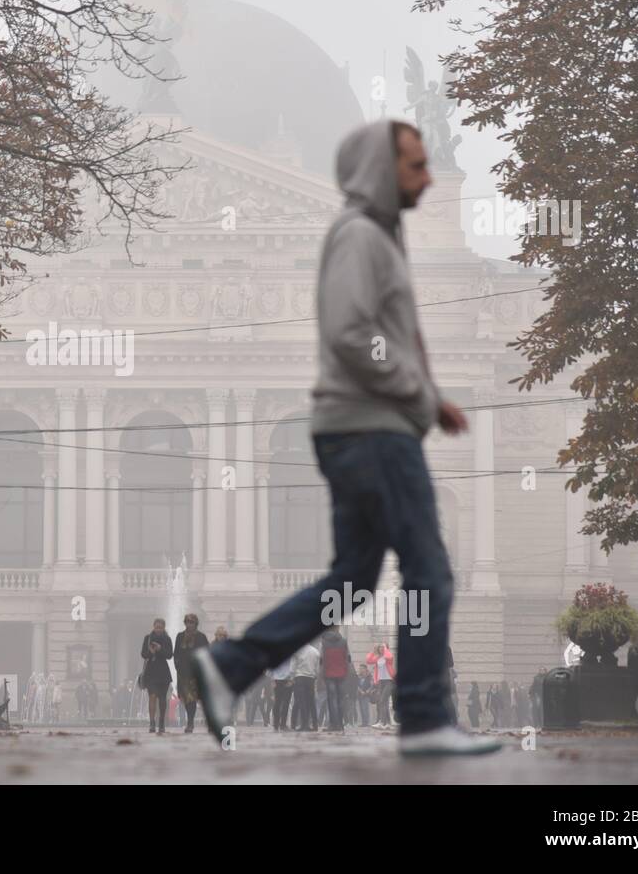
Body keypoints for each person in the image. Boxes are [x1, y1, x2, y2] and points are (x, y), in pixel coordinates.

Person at [190, 120, 500, 756]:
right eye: (415, 166)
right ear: (382, 172)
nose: (428, 176)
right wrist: (418, 396)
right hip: (373, 427)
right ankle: (421, 717)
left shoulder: (376, 236)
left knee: (354, 580)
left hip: (360, 425)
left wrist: (429, 398)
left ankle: (230, 666)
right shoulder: (361, 236)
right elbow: (352, 334)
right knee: (430, 568)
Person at [173, 613, 211, 733]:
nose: (189, 624)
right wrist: (177, 666)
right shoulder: (180, 636)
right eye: (188, 621)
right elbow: (176, 653)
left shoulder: (201, 637)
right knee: (186, 698)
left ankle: (190, 722)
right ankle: (190, 720)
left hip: (196, 672)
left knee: (193, 698)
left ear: (196, 623)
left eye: (192, 622)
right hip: (183, 672)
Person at [140, 619, 174, 734]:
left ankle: (161, 723)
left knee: (163, 699)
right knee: (152, 697)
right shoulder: (147, 638)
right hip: (151, 672)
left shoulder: (167, 639)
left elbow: (169, 655)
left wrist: (160, 649)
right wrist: (150, 652)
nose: (158, 629)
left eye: (160, 627)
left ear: (164, 627)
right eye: (156, 627)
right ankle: (152, 723)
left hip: (163, 672)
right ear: (153, 626)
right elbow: (143, 654)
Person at [320, 624, 350, 731]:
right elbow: (347, 658)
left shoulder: (323, 642)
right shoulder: (344, 641)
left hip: (328, 674)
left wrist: (322, 675)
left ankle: (333, 724)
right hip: (342, 673)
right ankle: (340, 725)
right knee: (341, 700)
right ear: (337, 629)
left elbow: (321, 659)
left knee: (331, 700)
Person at [292, 641, 320, 731]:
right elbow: (317, 668)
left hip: (299, 678)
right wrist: (315, 676)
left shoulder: (297, 651)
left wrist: (292, 677)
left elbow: (292, 667)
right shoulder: (315, 652)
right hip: (311, 679)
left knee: (301, 701)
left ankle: (304, 724)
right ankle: (315, 724)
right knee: (311, 702)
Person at [367, 643, 396, 728]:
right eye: (380, 648)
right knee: (383, 702)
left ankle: (382, 722)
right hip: (381, 681)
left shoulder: (388, 658)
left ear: (386, 649)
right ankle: (386, 723)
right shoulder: (378, 658)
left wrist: (385, 649)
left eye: (382, 648)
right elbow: (368, 660)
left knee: (383, 700)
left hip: (389, 681)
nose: (381, 649)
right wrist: (373, 651)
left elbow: (390, 657)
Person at [269, 654, 295, 731]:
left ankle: (282, 725)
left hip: (287, 680)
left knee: (285, 703)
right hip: (278, 680)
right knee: (278, 703)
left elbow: (293, 665)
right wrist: (272, 680)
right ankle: (276, 725)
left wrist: (291, 679)